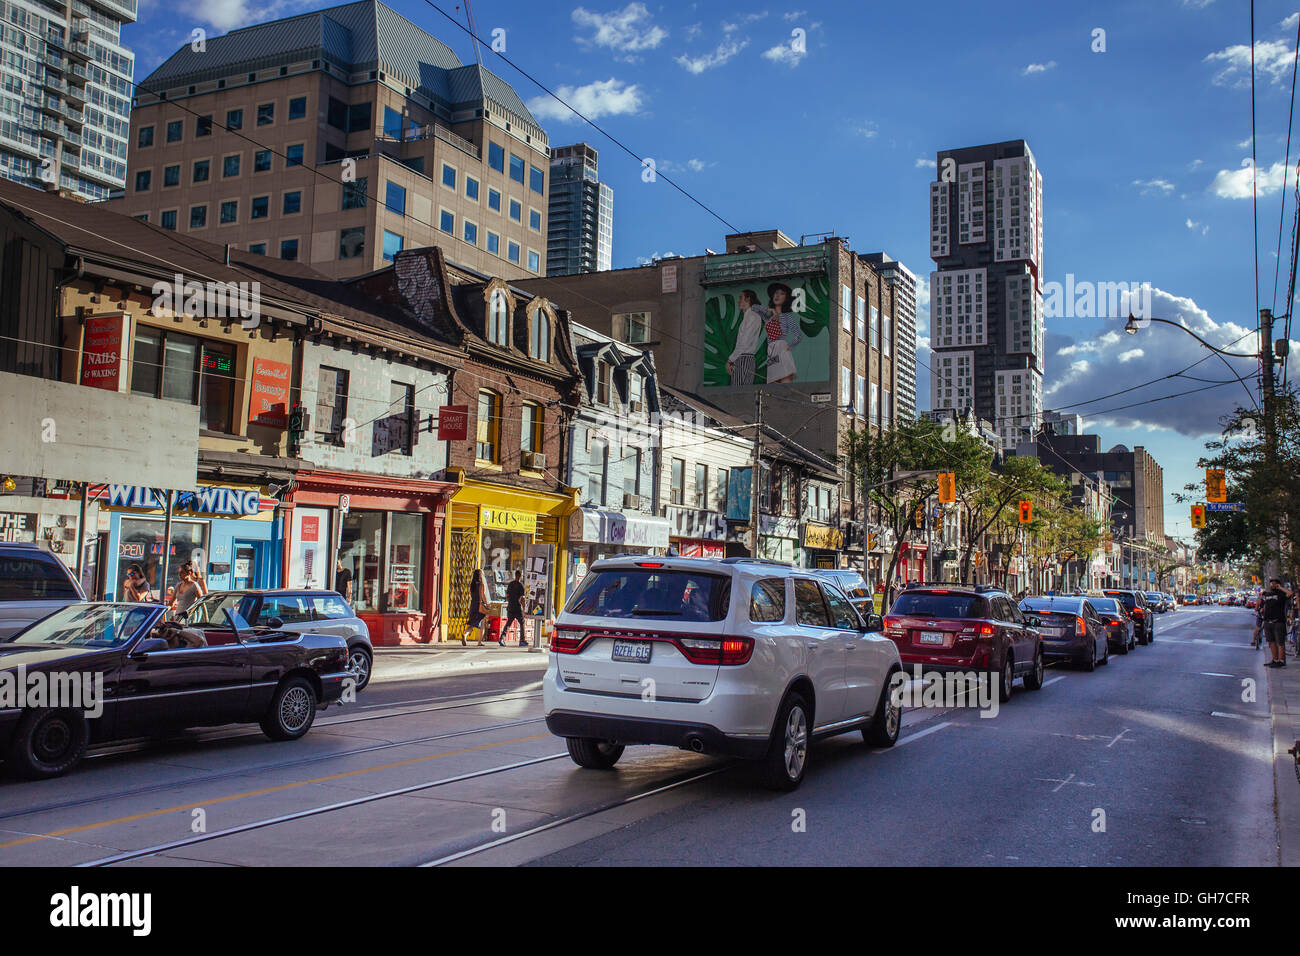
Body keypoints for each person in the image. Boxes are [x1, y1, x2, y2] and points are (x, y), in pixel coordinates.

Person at [725, 289, 767, 385]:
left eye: (741, 298)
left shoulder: (752, 316)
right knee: (742, 390)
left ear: (748, 299)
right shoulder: (750, 315)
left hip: (743, 358)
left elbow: (744, 342)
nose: (738, 301)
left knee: (738, 390)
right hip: (745, 358)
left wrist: (730, 360)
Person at [763, 283, 801, 384]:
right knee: (772, 386)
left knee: (785, 382)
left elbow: (798, 335)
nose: (777, 296)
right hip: (771, 351)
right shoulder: (768, 317)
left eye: (782, 294)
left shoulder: (787, 316)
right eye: (776, 293)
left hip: (781, 348)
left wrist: (788, 347)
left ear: (786, 298)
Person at [1261, 577, 1293, 668]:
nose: (1272, 585)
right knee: (1271, 642)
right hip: (1268, 621)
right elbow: (1265, 604)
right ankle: (1274, 659)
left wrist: (1280, 588)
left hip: (1278, 621)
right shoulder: (1267, 594)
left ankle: (1281, 660)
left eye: (1274, 583)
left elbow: (1290, 593)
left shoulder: (1281, 594)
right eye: (1271, 583)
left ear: (1278, 585)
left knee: (1280, 642)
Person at [462, 568, 488, 646]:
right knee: (482, 624)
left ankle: (465, 635)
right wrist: (486, 604)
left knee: (472, 624)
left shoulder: (472, 584)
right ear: (480, 575)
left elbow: (472, 595)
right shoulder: (481, 584)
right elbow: (483, 595)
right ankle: (479, 642)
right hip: (480, 606)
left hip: (473, 605)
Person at [503, 570, 527, 647]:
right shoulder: (521, 586)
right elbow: (522, 599)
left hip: (510, 606)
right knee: (522, 623)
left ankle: (502, 638)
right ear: (520, 576)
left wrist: (510, 602)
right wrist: (524, 609)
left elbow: (507, 596)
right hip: (517, 607)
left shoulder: (510, 584)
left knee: (508, 623)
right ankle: (522, 641)